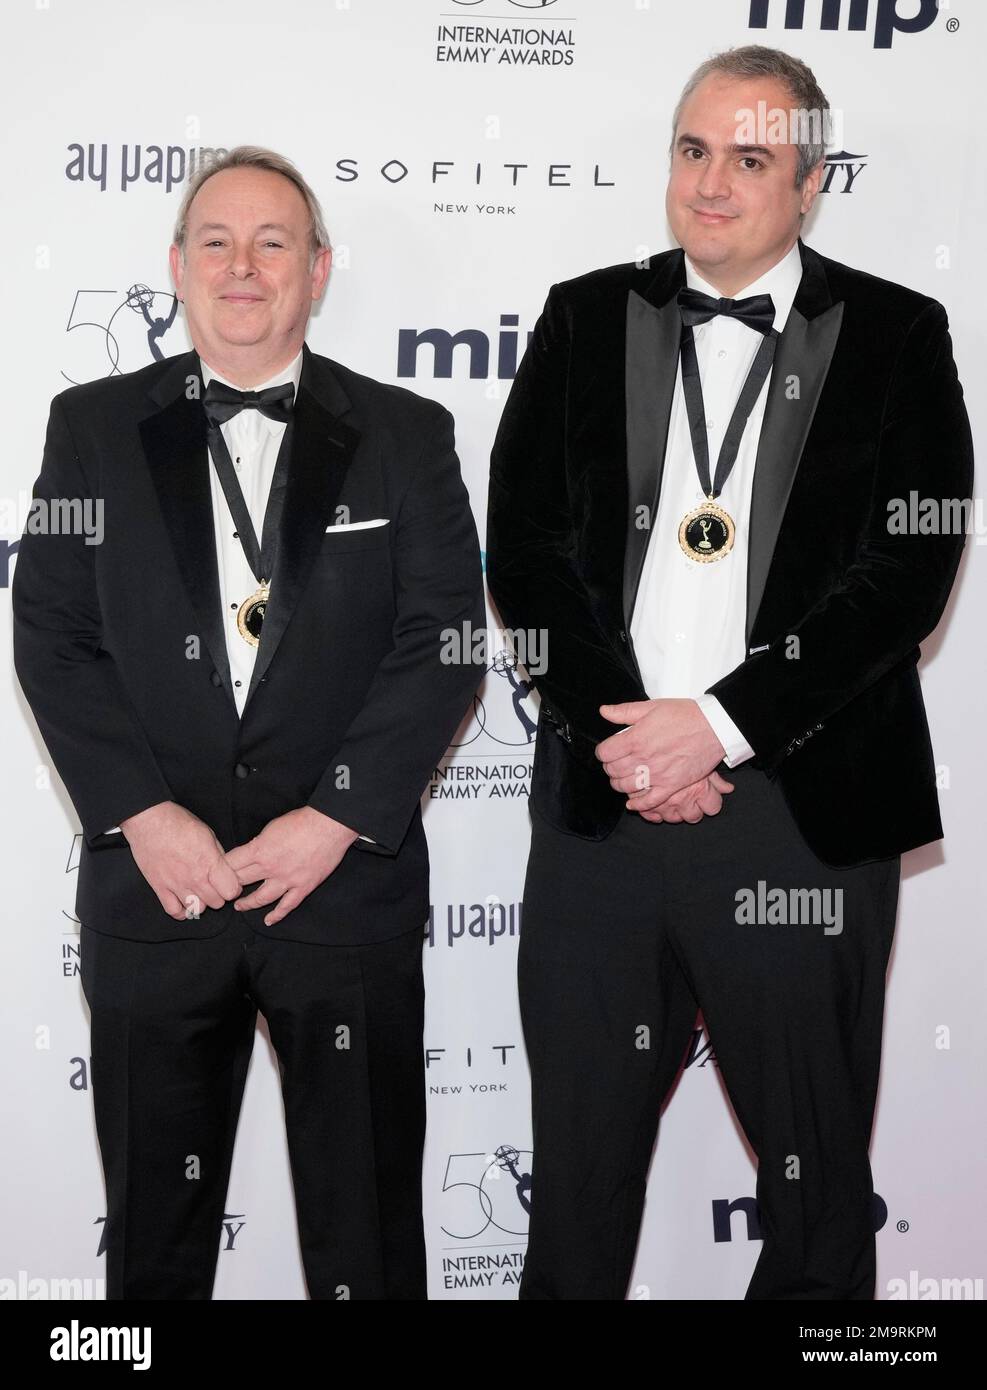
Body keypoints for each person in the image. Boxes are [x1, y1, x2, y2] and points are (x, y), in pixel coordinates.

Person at [486, 46, 973, 1300]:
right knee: (576, 1182)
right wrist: (630, 739)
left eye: (749, 160)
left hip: (800, 820)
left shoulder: (901, 335)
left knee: (815, 1198)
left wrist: (718, 725)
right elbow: (525, 552)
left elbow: (904, 576)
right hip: (605, 809)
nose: (710, 184)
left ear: (810, 183)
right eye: (693, 151)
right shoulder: (584, 315)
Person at [13, 146, 484, 1300]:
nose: (242, 267)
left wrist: (332, 821)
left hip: (344, 890)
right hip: (157, 892)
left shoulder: (405, 431)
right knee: (153, 1254)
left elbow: (444, 642)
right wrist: (142, 814)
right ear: (176, 266)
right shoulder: (92, 426)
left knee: (368, 1242)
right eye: (216, 242)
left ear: (318, 269)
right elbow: (53, 635)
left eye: (273, 243)